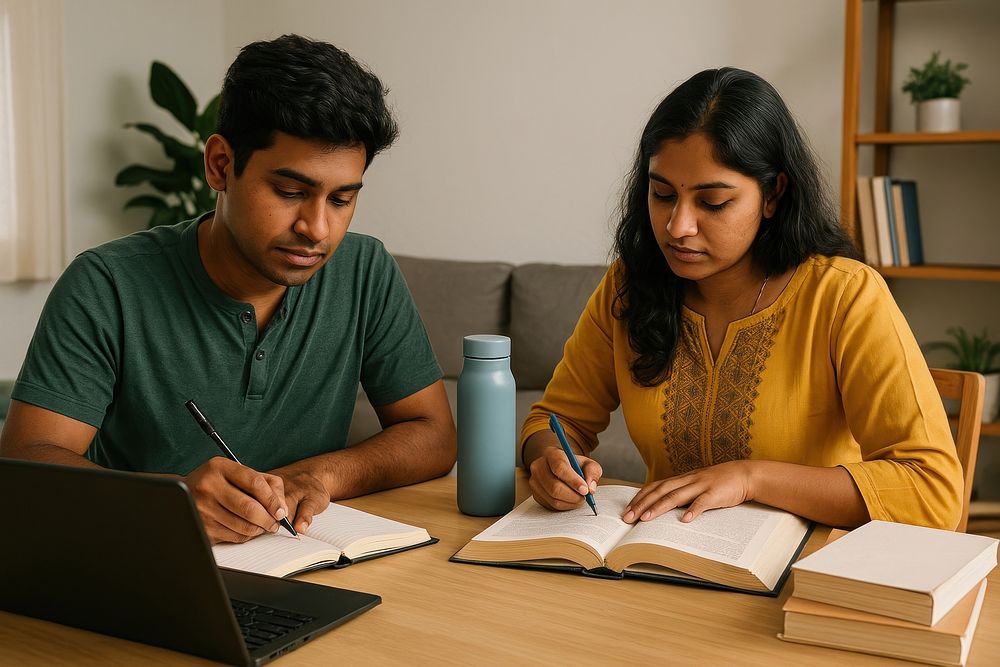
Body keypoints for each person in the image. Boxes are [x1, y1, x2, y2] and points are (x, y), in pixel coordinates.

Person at [0, 34, 456, 544]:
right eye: (290, 192)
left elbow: (433, 435)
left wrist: (320, 475)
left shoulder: (365, 269)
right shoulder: (106, 285)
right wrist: (172, 500)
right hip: (139, 561)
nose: (318, 228)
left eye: (342, 199)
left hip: (298, 559)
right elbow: (27, 463)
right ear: (220, 165)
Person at [520, 67, 962, 530]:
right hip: (660, 565)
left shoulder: (842, 295)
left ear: (773, 194)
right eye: (662, 194)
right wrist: (550, 460)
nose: (678, 226)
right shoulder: (630, 286)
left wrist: (751, 479)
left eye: (712, 202)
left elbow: (932, 491)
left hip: (802, 579)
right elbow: (553, 419)